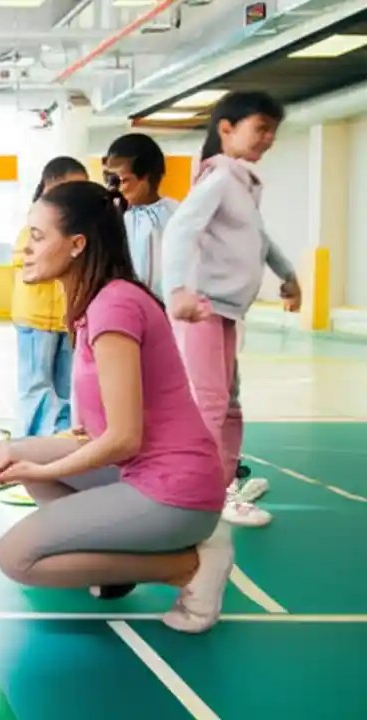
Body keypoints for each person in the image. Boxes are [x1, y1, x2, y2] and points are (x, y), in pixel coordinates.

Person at [0, 180, 231, 634]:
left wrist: (40, 471)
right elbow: (99, 433)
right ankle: (115, 568)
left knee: (15, 557)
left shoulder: (114, 307)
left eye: (37, 236)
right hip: (145, 472)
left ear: (76, 245)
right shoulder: (97, 302)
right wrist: (18, 453)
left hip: (176, 493)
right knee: (22, 450)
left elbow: (123, 437)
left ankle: (188, 568)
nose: (25, 249)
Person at [161, 90, 301, 528]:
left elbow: (259, 237)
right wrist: (178, 291)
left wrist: (288, 274)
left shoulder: (241, 182)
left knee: (229, 404)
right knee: (209, 403)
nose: (268, 139)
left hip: (228, 310)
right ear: (226, 129)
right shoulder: (218, 178)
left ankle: (220, 486)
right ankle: (197, 492)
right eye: (260, 128)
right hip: (203, 309)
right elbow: (180, 232)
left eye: (272, 132)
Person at [11, 157, 87, 437]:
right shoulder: (36, 222)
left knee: (68, 386)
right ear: (49, 186)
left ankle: (62, 440)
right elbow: (25, 261)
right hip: (35, 320)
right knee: (37, 386)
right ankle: (33, 442)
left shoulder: (80, 230)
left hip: (67, 319)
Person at [102, 133, 179, 296]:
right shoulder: (114, 215)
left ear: (145, 177)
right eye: (109, 179)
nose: (115, 188)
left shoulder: (176, 216)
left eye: (122, 180)